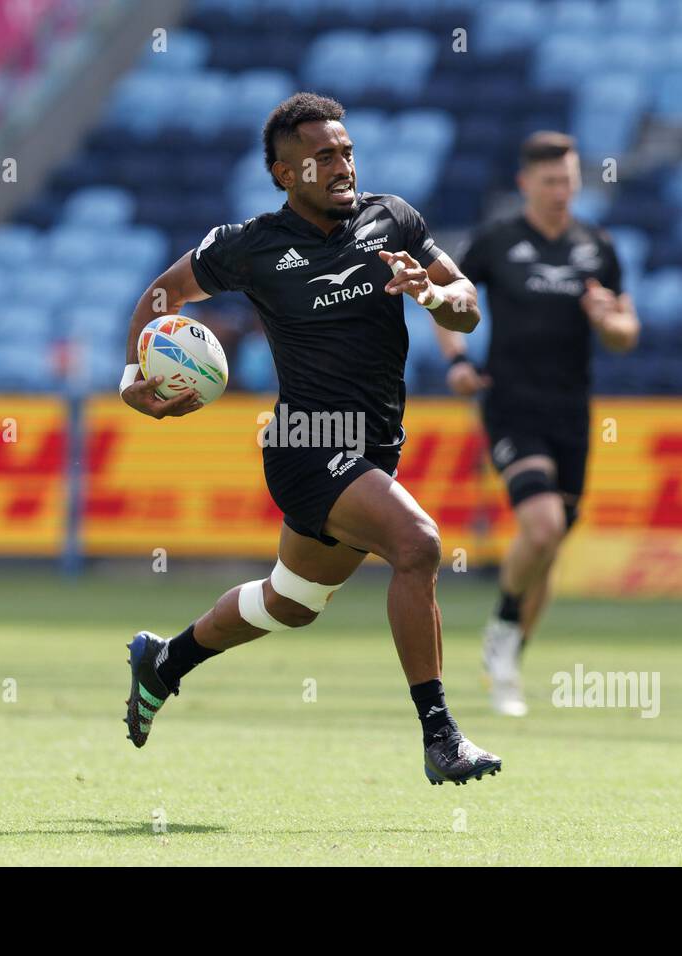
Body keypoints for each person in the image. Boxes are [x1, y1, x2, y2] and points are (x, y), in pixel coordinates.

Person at [117, 93, 501, 785]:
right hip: (306, 441)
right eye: (323, 157)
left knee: (290, 602)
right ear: (284, 173)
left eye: (347, 151)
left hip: (375, 445)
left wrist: (435, 297)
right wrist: (130, 378)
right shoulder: (249, 245)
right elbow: (160, 296)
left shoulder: (396, 220)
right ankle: (440, 736)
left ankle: (163, 661)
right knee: (418, 546)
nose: (342, 165)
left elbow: (467, 306)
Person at [433, 132, 639, 716]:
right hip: (510, 404)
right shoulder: (497, 241)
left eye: (568, 181)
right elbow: (447, 302)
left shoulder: (596, 246)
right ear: (526, 184)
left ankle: (508, 662)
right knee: (543, 526)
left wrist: (607, 321)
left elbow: (627, 334)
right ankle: (502, 631)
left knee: (547, 549)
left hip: (571, 412)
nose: (560, 192)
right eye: (550, 182)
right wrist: (456, 361)